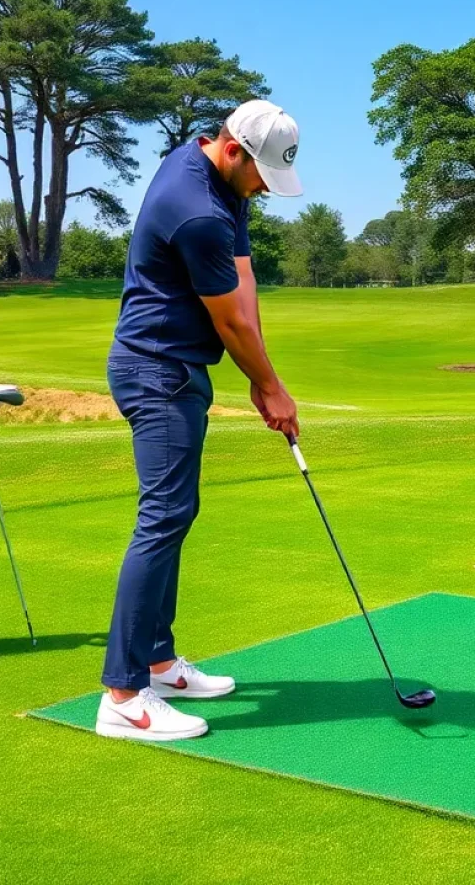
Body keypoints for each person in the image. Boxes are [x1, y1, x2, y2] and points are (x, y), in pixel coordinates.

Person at [95, 100, 301, 741]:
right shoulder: (197, 210)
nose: (266, 187)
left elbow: (244, 285)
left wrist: (264, 381)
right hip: (157, 372)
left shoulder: (210, 170)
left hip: (177, 370)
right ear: (235, 150)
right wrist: (269, 386)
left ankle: (158, 662)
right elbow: (229, 321)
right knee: (161, 518)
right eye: (262, 173)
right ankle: (123, 696)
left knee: (176, 513)